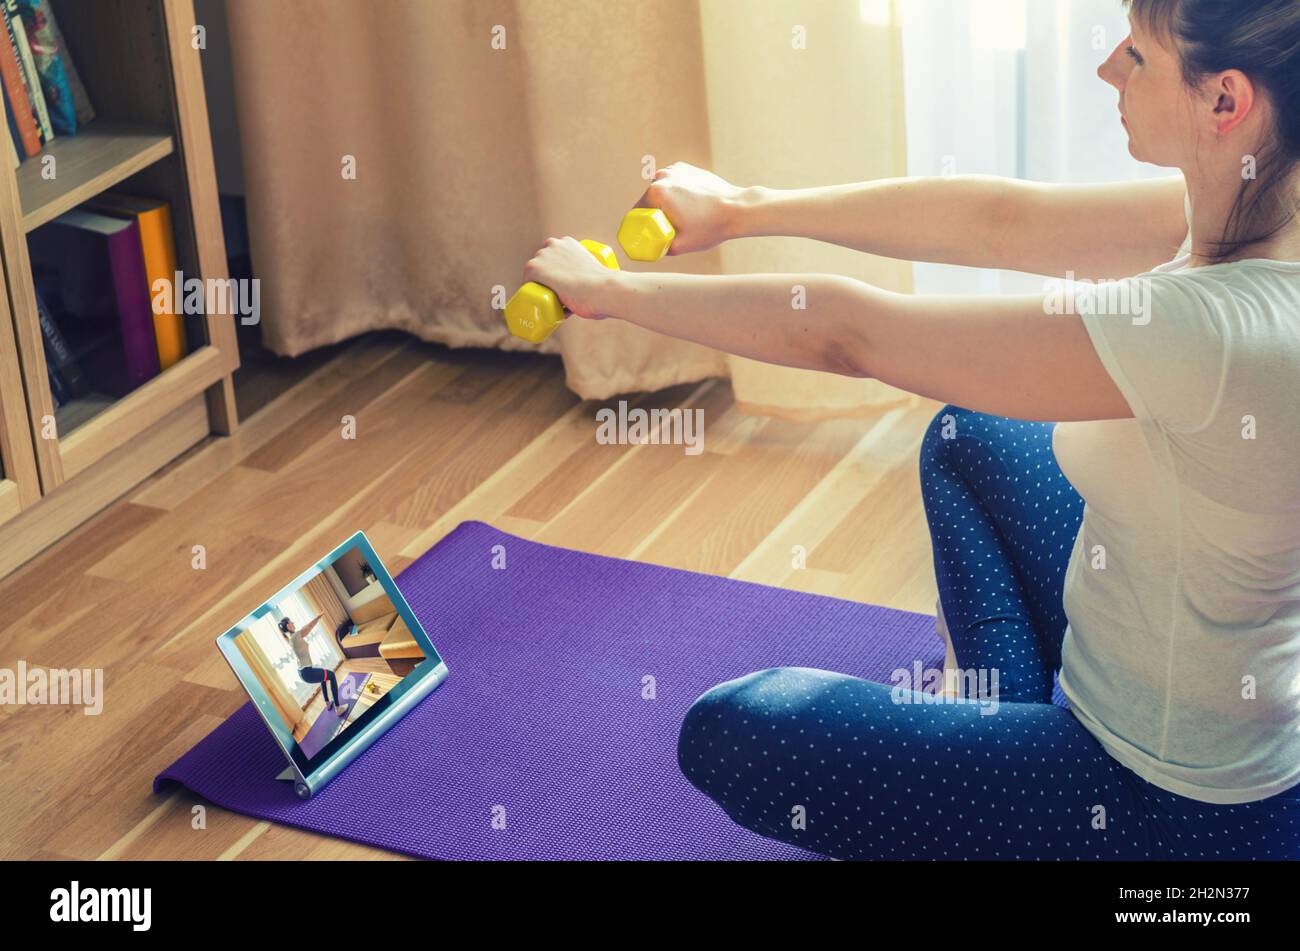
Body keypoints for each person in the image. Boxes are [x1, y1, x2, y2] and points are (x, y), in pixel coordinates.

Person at [519, 0, 1300, 859]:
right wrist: (741, 209)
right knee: (970, 436)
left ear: (1226, 101)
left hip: (1170, 811)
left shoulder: (1217, 330)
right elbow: (1000, 223)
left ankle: (1034, 802)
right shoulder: (1257, 195)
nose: (1109, 67)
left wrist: (612, 293)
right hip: (1156, 679)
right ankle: (1002, 736)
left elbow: (851, 335)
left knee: (735, 729)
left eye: (1140, 56)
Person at [279, 616, 347, 718]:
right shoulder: (295, 636)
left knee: (323, 677)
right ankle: (338, 708)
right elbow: (309, 626)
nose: (293, 622)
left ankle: (328, 703)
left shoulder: (291, 639)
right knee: (331, 675)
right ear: (288, 626)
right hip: (307, 672)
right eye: (291, 622)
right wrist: (318, 617)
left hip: (303, 672)